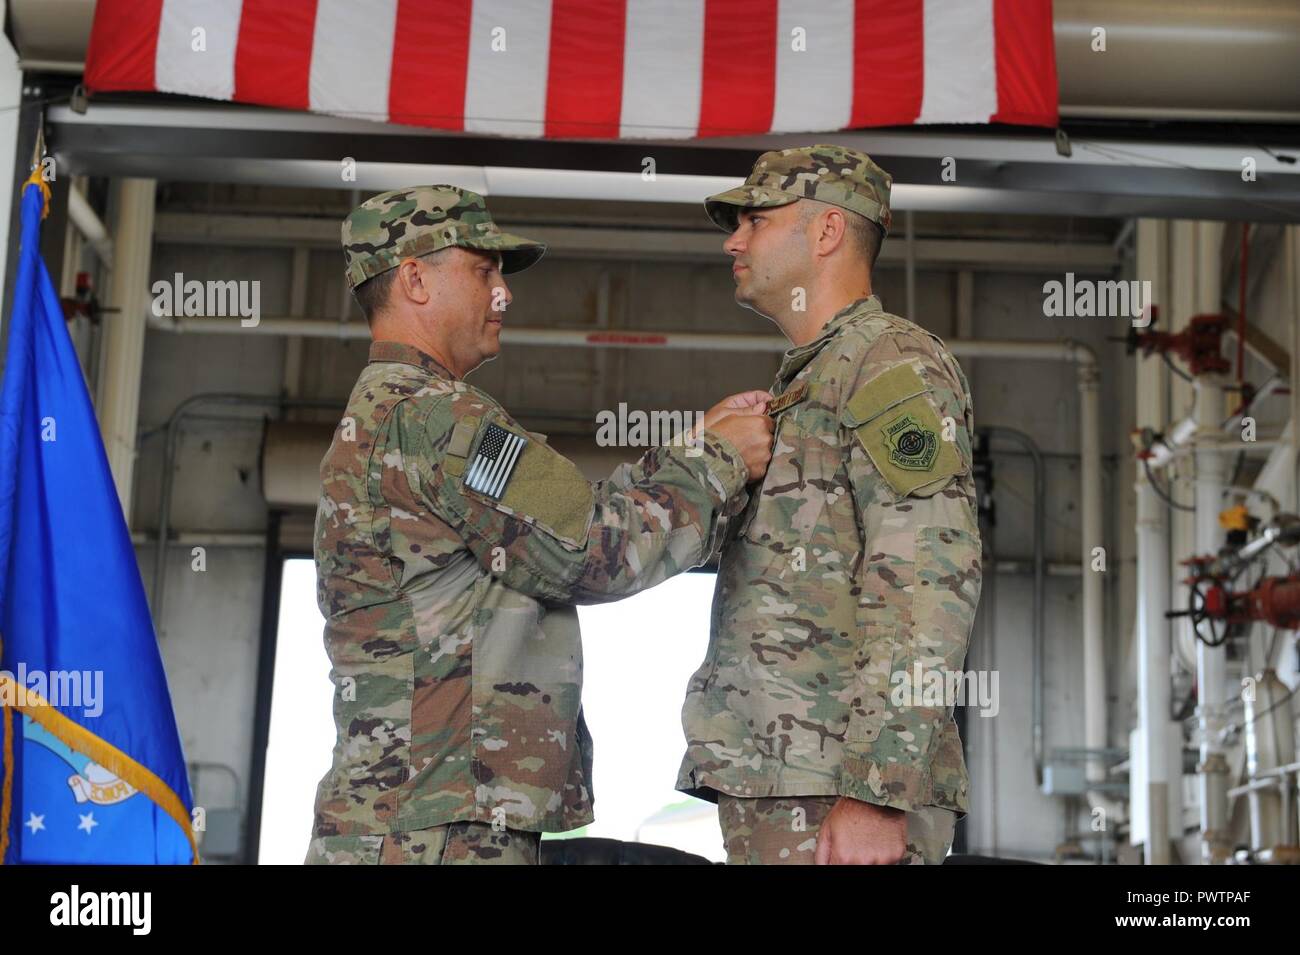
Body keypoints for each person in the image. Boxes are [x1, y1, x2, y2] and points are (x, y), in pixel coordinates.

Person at [306, 185, 774, 864]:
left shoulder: (393, 414)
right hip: (437, 830)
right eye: (483, 270)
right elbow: (594, 547)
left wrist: (693, 447)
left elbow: (562, 520)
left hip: (412, 819)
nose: (505, 293)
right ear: (414, 278)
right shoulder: (440, 421)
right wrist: (721, 458)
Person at [675, 146, 982, 865]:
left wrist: (878, 789)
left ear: (826, 232)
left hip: (837, 786)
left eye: (755, 220)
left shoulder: (888, 363)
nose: (734, 240)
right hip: (791, 780)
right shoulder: (815, 379)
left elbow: (930, 578)